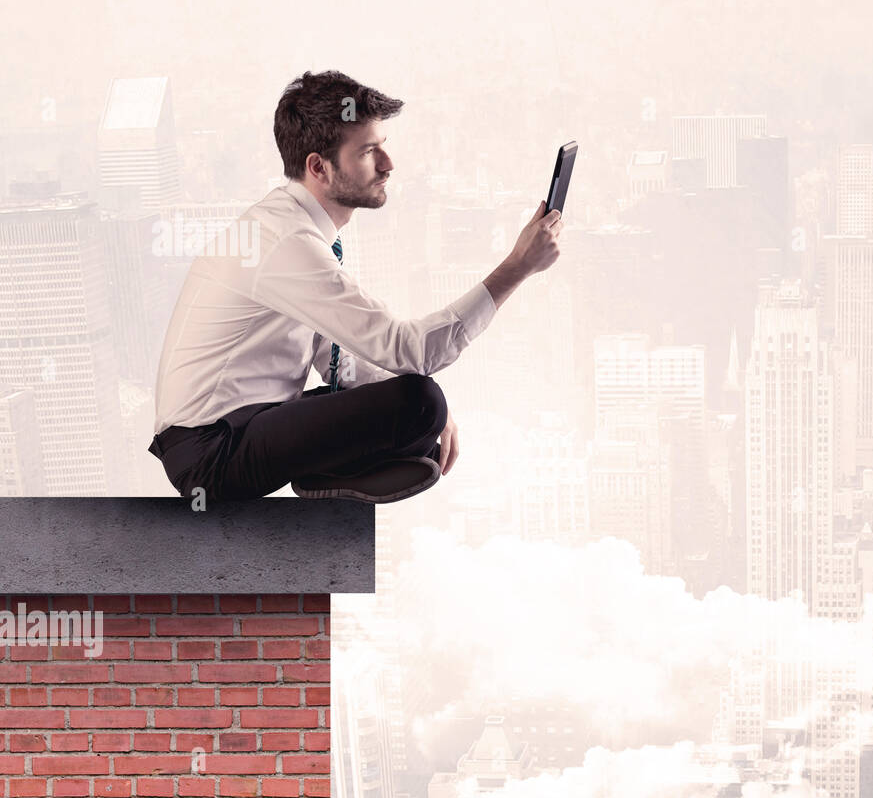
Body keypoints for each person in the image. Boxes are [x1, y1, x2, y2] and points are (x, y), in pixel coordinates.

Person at [147, 70, 562, 503]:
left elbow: (337, 361)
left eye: (383, 146)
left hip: (245, 427)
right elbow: (410, 350)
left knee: (420, 416)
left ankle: (327, 470)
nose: (388, 164)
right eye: (368, 151)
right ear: (318, 167)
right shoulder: (286, 241)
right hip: (210, 453)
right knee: (422, 402)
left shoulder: (296, 229)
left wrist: (417, 412)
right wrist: (517, 267)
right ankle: (329, 467)